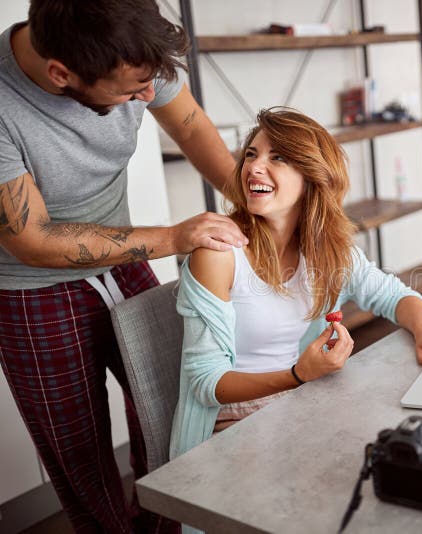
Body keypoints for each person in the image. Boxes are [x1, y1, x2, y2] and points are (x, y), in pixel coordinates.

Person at [0, 1, 247, 532]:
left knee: (173, 410)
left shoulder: (134, 47)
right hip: (31, 288)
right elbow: (32, 240)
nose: (146, 96)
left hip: (123, 253)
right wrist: (174, 237)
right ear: (62, 74)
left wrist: (257, 204)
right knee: (80, 457)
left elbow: (193, 129)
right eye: (131, 90)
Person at [171, 107, 422, 462]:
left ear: (312, 177)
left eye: (278, 157)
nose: (253, 166)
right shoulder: (219, 254)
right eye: (251, 154)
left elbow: (393, 295)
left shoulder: (328, 251)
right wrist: (298, 375)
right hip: (227, 423)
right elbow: (206, 384)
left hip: (295, 401)